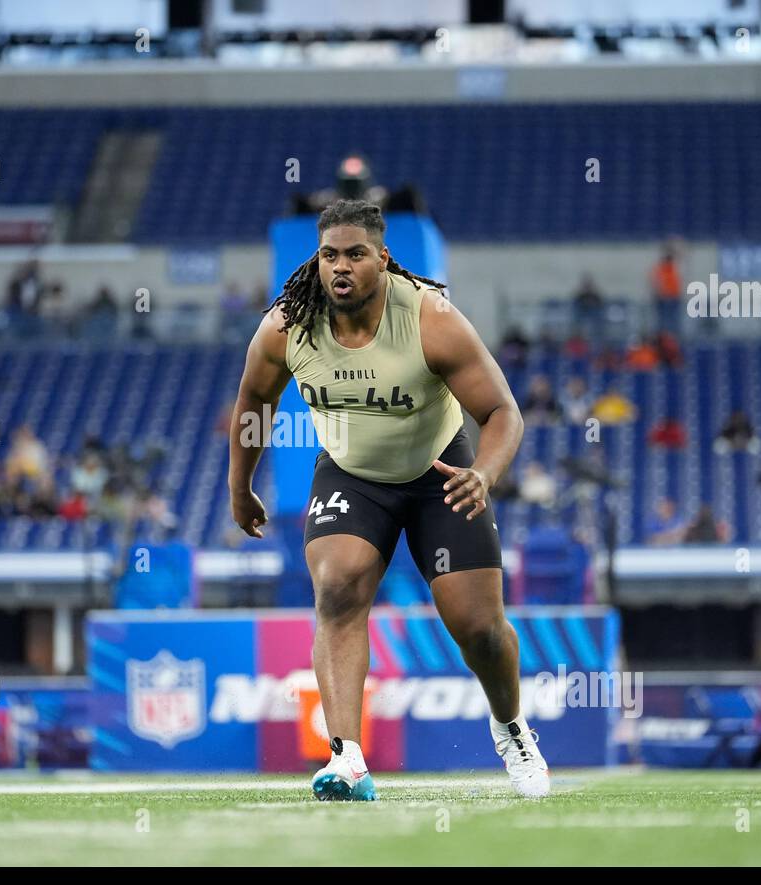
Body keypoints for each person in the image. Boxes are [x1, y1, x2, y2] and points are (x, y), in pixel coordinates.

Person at [228, 199, 548, 801]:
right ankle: (347, 758)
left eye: (355, 254)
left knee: (478, 629)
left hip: (441, 473)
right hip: (352, 475)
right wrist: (239, 485)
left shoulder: (432, 318)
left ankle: (511, 728)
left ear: (384, 258)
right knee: (339, 585)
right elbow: (253, 402)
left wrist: (484, 472)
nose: (340, 266)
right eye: (329, 255)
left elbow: (502, 411)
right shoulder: (285, 325)